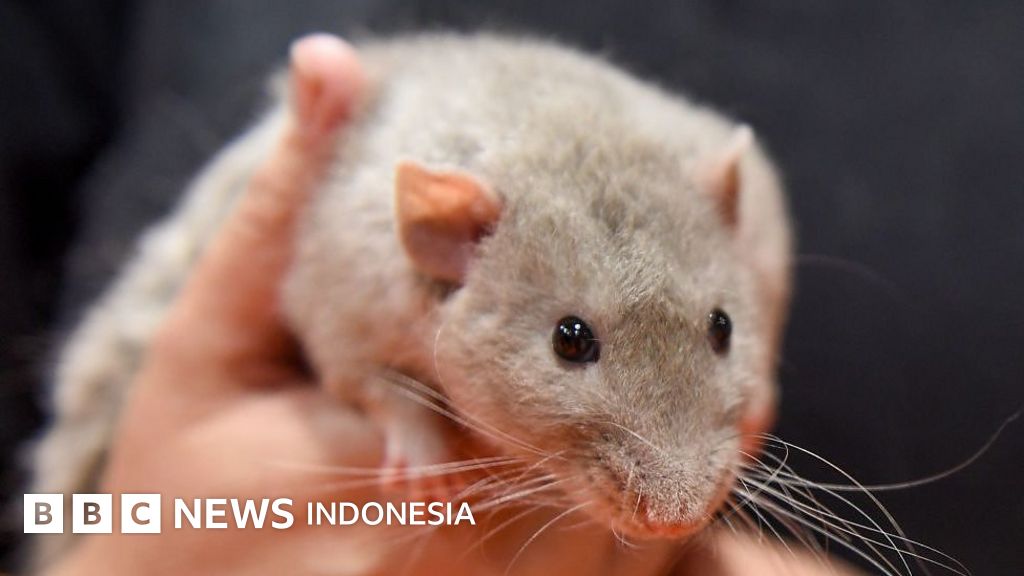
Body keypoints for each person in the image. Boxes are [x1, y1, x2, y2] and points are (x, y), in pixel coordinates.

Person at [44, 34, 857, 576]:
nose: (677, 496)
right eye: (574, 341)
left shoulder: (711, 178)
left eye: (719, 330)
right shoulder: (386, 215)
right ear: (448, 234)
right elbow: (325, 301)